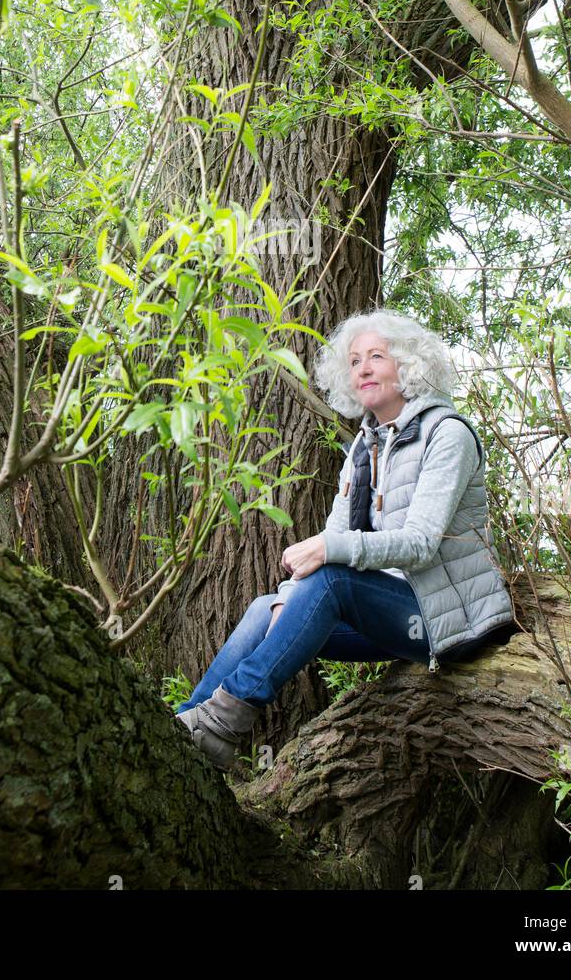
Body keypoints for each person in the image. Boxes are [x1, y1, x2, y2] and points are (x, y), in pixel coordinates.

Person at [175, 309, 515, 770]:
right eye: (354, 361)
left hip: (442, 620)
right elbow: (337, 532)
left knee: (333, 578)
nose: (364, 369)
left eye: (377, 356)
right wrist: (290, 601)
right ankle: (183, 732)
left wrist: (328, 551)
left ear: (409, 364)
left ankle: (221, 722)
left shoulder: (447, 433)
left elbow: (418, 546)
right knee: (266, 606)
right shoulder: (365, 446)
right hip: (385, 613)